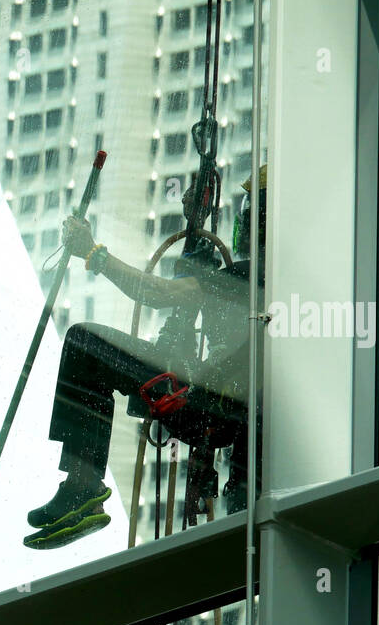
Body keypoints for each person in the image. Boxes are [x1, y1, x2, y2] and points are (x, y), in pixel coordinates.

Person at [24, 166, 267, 549]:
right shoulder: (258, 283)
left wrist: (93, 253)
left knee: (84, 344)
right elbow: (184, 335)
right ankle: (81, 485)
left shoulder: (248, 277)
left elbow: (156, 294)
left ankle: (83, 484)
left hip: (202, 405)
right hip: (208, 404)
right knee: (85, 345)